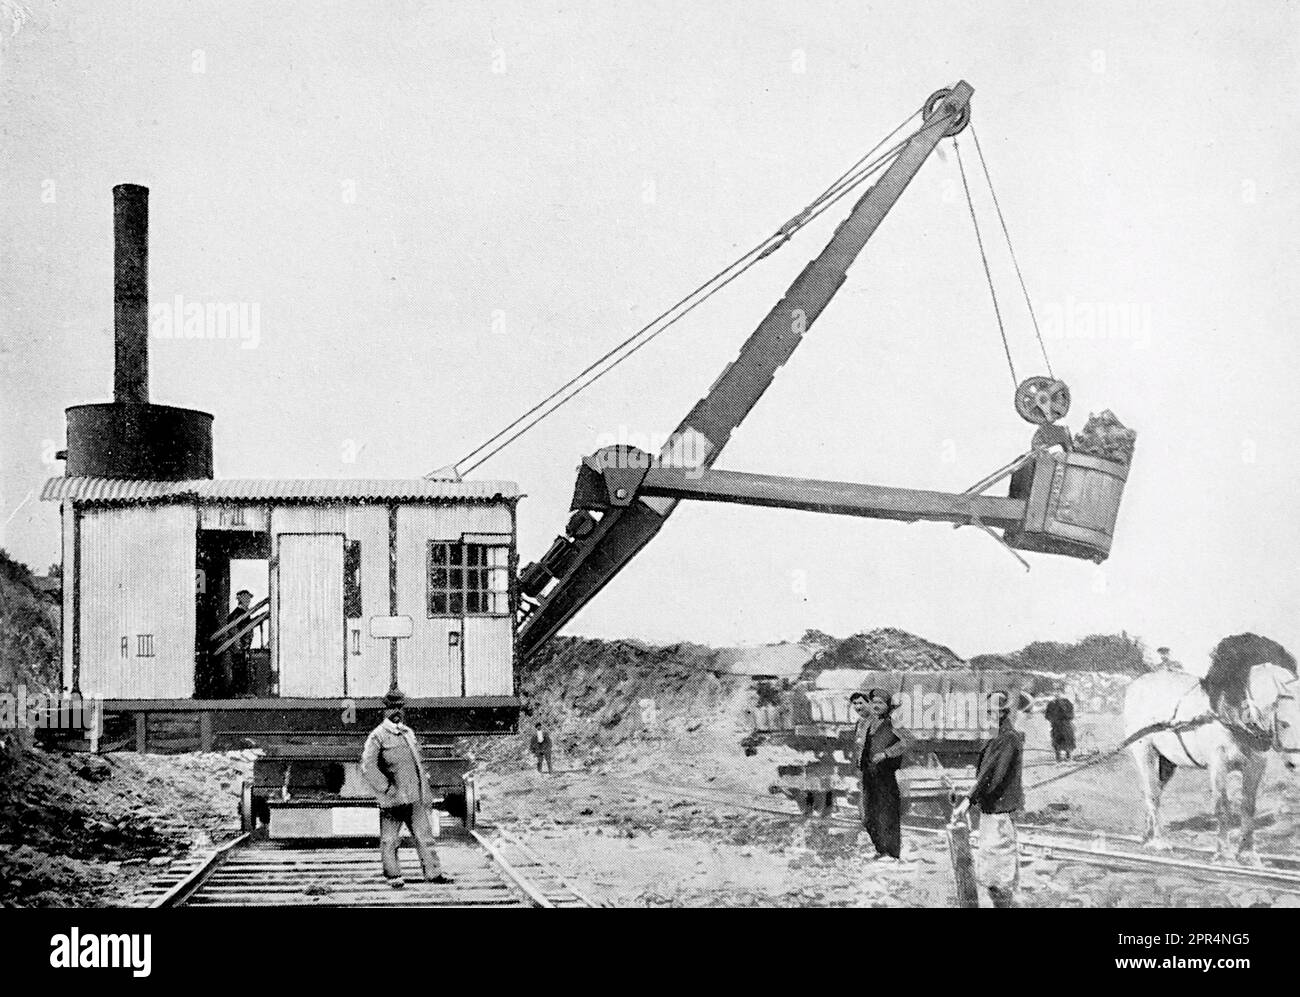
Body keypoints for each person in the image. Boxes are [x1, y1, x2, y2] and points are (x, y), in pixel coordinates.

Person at [360, 689, 451, 888]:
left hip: (414, 796)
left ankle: (434, 874)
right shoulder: (377, 736)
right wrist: (386, 788)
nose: (396, 711)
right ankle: (393, 876)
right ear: (384, 711)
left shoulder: (409, 733)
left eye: (400, 707)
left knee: (424, 836)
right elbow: (368, 766)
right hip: (392, 799)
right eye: (392, 707)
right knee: (389, 840)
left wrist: (424, 792)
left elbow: (418, 765)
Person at [953, 691, 1024, 908]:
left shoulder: (1007, 738)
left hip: (999, 813)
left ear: (1004, 713)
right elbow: (987, 767)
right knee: (994, 870)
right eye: (987, 711)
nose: (988, 715)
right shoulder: (997, 734)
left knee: (998, 874)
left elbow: (992, 773)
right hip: (994, 811)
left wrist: (968, 799)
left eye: (993, 711)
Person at [849, 689, 909, 861]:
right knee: (868, 815)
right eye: (874, 702)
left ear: (887, 705)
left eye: (880, 703)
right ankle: (880, 849)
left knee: (887, 814)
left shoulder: (893, 722)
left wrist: (887, 754)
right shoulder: (868, 723)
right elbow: (860, 746)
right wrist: (858, 768)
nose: (875, 706)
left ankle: (891, 854)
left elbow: (909, 740)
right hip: (869, 775)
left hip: (885, 775)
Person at [221, 589, 255, 697]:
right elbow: (234, 630)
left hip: (242, 646)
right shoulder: (237, 614)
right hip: (239, 647)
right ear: (240, 599)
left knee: (242, 668)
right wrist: (240, 645)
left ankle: (240, 692)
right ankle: (238, 692)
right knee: (239, 668)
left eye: (248, 598)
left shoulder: (244, 612)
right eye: (245, 598)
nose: (248, 600)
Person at [1043, 689, 1075, 762]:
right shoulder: (1051, 704)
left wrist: (1064, 711)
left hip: (1066, 724)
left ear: (1062, 693)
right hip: (1056, 725)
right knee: (1056, 740)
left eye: (1059, 692)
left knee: (1068, 739)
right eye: (1055, 692)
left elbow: (1071, 714)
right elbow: (1047, 715)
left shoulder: (1067, 702)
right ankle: (1058, 757)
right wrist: (1052, 719)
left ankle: (1068, 756)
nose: (1057, 694)